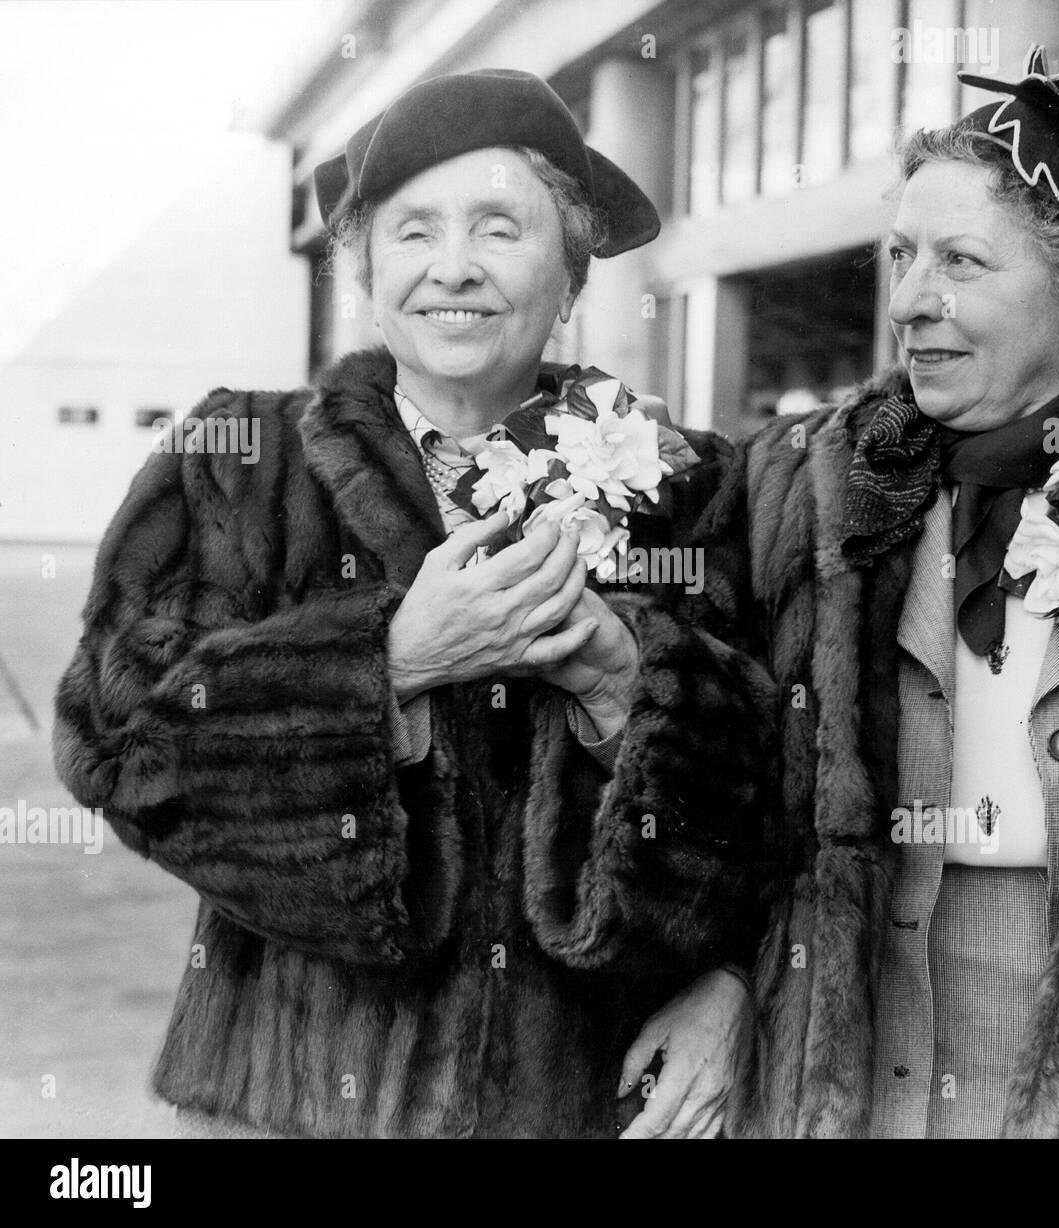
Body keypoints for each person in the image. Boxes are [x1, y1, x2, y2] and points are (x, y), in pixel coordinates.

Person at [53, 69, 774, 1139]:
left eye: (500, 227)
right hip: (289, 1105)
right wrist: (386, 662)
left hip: (581, 1100)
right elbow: (120, 750)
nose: (454, 268)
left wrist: (627, 685)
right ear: (364, 273)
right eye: (413, 232)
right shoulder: (244, 460)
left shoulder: (685, 481)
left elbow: (769, 801)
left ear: (570, 274)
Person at [686, 46, 1059, 1138]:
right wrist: (719, 978)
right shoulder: (792, 486)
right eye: (900, 255)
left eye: (962, 261)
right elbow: (708, 794)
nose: (912, 301)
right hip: (844, 1083)